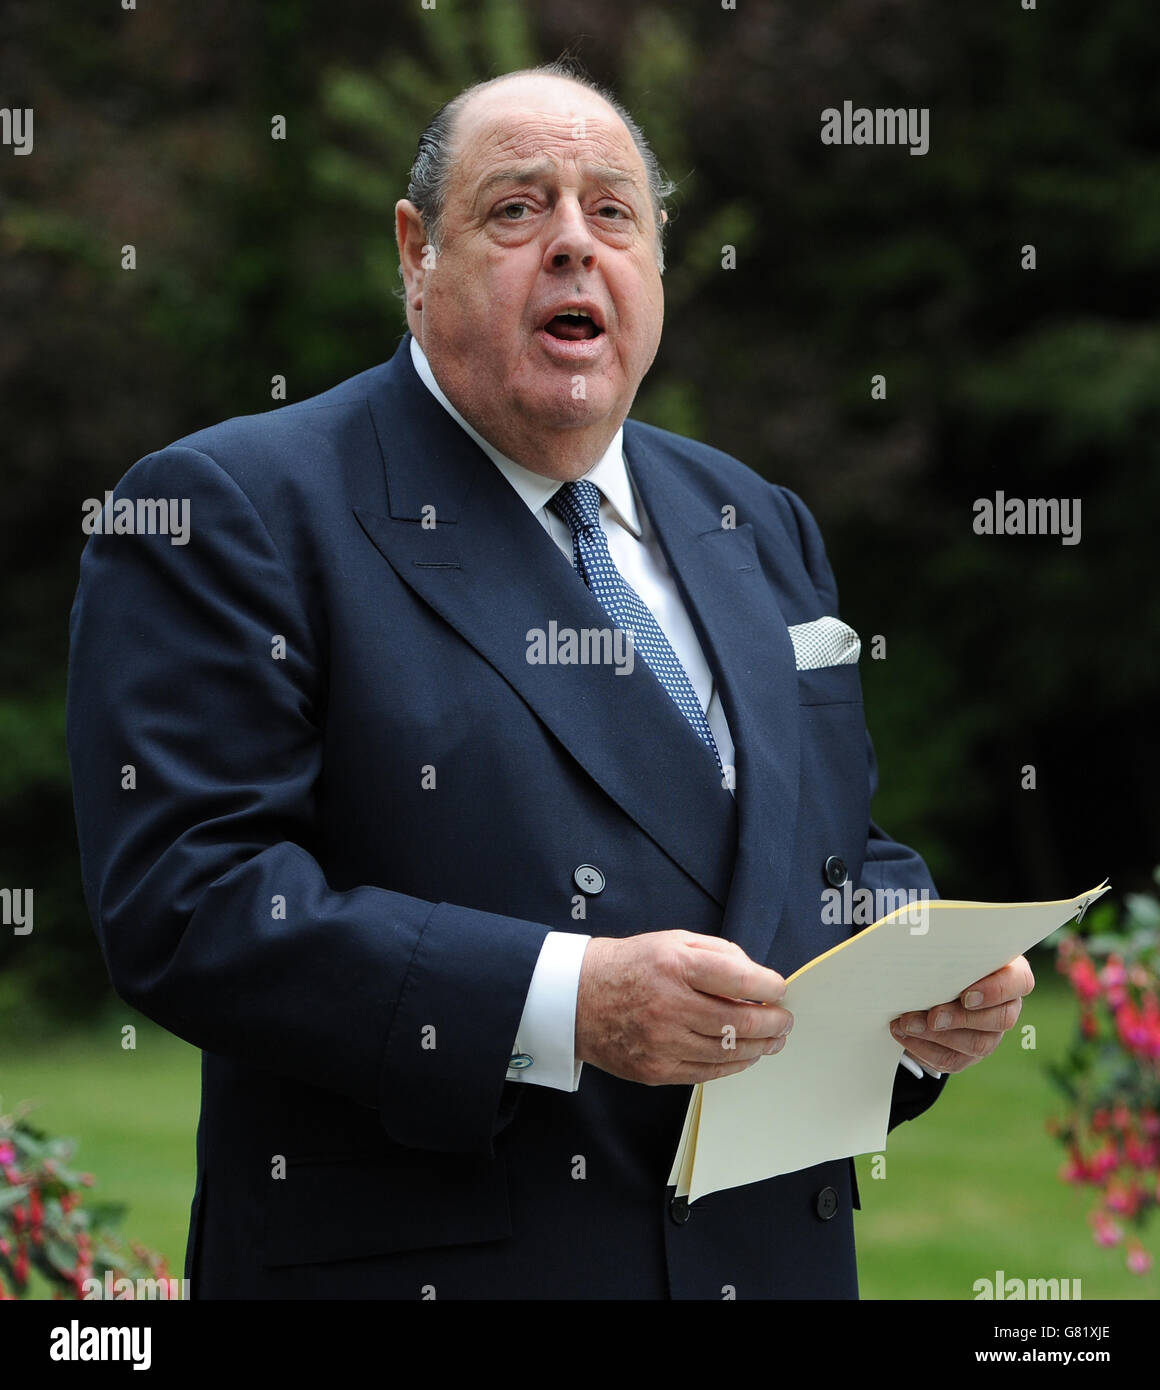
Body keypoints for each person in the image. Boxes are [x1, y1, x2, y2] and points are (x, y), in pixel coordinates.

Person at [66, 60, 1034, 1299]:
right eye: (518, 208)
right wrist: (568, 1002)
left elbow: (822, 851)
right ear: (416, 251)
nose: (574, 245)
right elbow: (191, 904)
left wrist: (917, 980)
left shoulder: (755, 517)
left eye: (613, 211)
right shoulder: (230, 507)